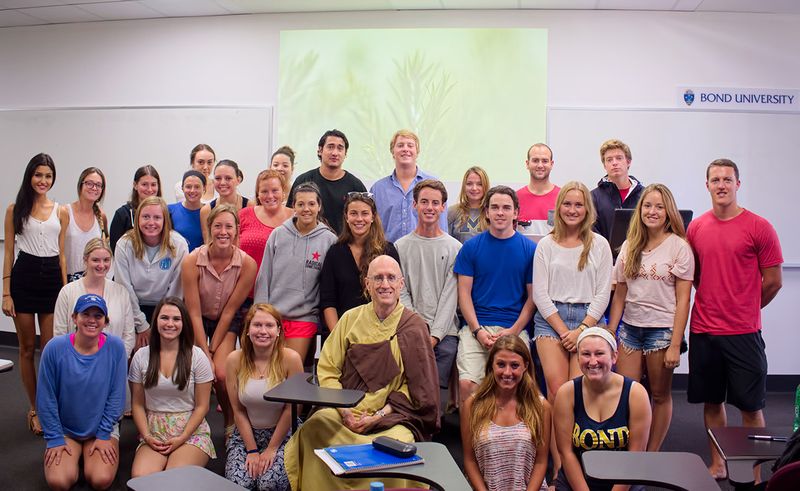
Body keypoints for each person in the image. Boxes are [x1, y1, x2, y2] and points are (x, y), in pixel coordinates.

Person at [284, 255, 440, 491]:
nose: (384, 284)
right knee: (314, 427)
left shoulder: (414, 326)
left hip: (391, 416)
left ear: (401, 284)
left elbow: (418, 387)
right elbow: (327, 369)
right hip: (345, 410)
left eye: (390, 278)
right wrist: (345, 411)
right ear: (367, 284)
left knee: (401, 443)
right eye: (377, 278)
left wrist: (378, 416)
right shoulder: (350, 319)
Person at [686, 159, 783, 479]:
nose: (721, 185)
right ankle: (719, 463)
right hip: (704, 330)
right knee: (712, 403)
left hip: (744, 332)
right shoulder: (696, 227)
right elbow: (697, 276)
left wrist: (746, 308)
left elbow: (773, 281)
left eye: (727, 179)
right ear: (708, 185)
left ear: (738, 184)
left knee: (751, 408)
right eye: (715, 180)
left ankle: (752, 473)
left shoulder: (759, 227)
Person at [607, 184, 694, 452]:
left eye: (659, 207)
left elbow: (683, 300)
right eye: (647, 206)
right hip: (630, 330)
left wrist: (676, 344)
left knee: (659, 394)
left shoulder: (679, 247)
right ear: (640, 210)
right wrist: (611, 330)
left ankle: (651, 453)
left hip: (662, 331)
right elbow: (620, 294)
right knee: (629, 392)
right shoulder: (630, 245)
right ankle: (634, 448)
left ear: (668, 212)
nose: (652, 211)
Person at [3, 153, 68, 436]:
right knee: (27, 348)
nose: (43, 180)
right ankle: (34, 409)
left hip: (52, 277)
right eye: (39, 175)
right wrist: (6, 292)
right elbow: (8, 252)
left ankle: (51, 405)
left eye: (48, 176)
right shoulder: (15, 209)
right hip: (25, 276)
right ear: (30, 176)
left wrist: (66, 292)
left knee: (51, 349)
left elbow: (63, 254)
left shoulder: (60, 211)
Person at [455, 186, 536, 404]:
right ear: (487, 212)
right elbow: (464, 295)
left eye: (506, 208)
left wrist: (514, 331)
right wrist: (477, 331)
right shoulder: (470, 248)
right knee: (467, 385)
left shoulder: (530, 250)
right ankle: (470, 439)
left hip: (513, 329)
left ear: (516, 213)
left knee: (518, 385)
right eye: (495, 207)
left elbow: (532, 299)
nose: (500, 212)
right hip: (476, 328)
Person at [37, 294, 127, 491]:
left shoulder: (116, 348)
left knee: (100, 479)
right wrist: (54, 438)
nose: (92, 320)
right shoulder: (55, 348)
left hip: (101, 429)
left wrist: (104, 434)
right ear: (74, 318)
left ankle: (87, 458)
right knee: (59, 482)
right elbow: (46, 397)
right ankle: (75, 460)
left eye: (98, 316)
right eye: (85, 314)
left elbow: (117, 396)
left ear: (106, 322)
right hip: (65, 428)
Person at [182, 204, 257, 434]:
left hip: (227, 319)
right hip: (197, 319)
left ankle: (229, 421)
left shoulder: (247, 264)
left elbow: (229, 311)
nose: (223, 232)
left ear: (236, 230)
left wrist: (213, 348)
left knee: (221, 375)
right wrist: (204, 352)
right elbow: (193, 312)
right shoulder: (192, 261)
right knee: (196, 370)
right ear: (209, 228)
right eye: (217, 226)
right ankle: (187, 424)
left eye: (228, 226)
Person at [553, 327, 651, 491]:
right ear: (578, 358)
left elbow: (636, 453)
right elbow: (566, 453)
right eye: (585, 354)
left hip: (624, 479)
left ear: (614, 356)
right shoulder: (566, 393)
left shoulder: (636, 394)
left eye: (599, 353)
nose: (592, 361)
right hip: (578, 481)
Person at [129, 297, 215, 477]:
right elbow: (137, 404)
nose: (170, 323)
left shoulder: (197, 357)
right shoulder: (141, 356)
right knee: (141, 480)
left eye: (176, 319)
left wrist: (182, 438)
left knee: (174, 480)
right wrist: (146, 436)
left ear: (184, 323)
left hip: (190, 432)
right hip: (154, 431)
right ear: (156, 321)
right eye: (164, 318)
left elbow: (203, 406)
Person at [254, 182, 337, 363]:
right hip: (272, 315)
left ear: (319, 206)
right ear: (293, 207)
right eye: (300, 204)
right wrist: (261, 313)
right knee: (267, 369)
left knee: (289, 370)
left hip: (304, 317)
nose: (306, 209)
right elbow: (264, 276)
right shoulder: (278, 234)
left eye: (311, 204)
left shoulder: (329, 240)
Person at [225, 303, 304, 490]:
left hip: (283, 434)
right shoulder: (234, 360)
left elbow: (292, 409)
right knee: (239, 483)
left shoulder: (291, 359)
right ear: (247, 330)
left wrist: (272, 448)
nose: (263, 331)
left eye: (269, 325)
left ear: (278, 331)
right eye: (257, 325)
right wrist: (252, 449)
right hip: (246, 434)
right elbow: (238, 410)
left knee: (269, 483)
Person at [461, 335, 551, 491]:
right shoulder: (472, 405)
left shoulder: (541, 407)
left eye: (515, 365)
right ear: (491, 366)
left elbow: (541, 462)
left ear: (525, 366)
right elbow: (470, 461)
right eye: (501, 364)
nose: (507, 372)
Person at [397, 180, 462, 396]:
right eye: (424, 202)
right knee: (408, 393)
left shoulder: (455, 248)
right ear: (414, 205)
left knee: (435, 401)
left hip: (444, 336)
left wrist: (433, 336)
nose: (430, 208)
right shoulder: (400, 247)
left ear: (443, 207)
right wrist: (418, 329)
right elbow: (401, 292)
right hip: (409, 331)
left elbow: (450, 297)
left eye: (435, 203)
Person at [319, 192, 400, 333]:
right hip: (343, 331)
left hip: (380, 332)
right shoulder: (335, 253)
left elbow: (396, 295)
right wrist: (337, 337)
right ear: (346, 217)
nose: (359, 219)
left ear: (373, 217)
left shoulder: (387, 250)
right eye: (354, 213)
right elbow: (328, 300)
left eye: (365, 213)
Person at [114, 196, 188, 349]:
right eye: (146, 217)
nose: (151, 222)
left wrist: (159, 324)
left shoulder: (178, 244)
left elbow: (176, 291)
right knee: (130, 350)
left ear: (165, 221)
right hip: (132, 307)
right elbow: (124, 288)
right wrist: (141, 326)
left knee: (163, 351)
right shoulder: (124, 244)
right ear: (137, 219)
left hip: (165, 307)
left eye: (157, 217)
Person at [54, 238, 135, 359]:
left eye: (106, 260)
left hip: (111, 362)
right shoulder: (67, 292)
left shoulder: (121, 292)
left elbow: (128, 335)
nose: (102, 265)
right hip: (74, 362)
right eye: (96, 260)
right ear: (85, 260)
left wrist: (117, 360)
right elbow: (59, 334)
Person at [370, 129, 448, 242]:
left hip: (424, 252)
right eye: (400, 145)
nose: (405, 149)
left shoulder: (434, 186)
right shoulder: (378, 189)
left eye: (410, 145)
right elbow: (373, 229)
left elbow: (442, 226)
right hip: (387, 255)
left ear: (417, 152)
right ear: (392, 151)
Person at [287, 129, 367, 234]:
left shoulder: (355, 185)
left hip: (344, 246)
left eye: (340, 148)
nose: (335, 153)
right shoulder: (303, 181)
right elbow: (290, 215)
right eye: (330, 147)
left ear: (345, 153)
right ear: (320, 150)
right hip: (308, 244)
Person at [239, 170, 294, 278]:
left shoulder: (296, 218)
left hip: (283, 289)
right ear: (258, 194)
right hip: (245, 288)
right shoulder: (244, 215)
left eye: (275, 190)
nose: (270, 196)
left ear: (283, 192)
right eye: (264, 191)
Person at [590, 139, 644, 241]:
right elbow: (592, 232)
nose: (614, 163)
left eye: (619, 158)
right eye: (609, 160)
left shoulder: (644, 195)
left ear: (628, 162)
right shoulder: (593, 197)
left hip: (640, 255)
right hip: (606, 255)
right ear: (605, 165)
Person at [64, 167, 108, 282]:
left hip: (93, 280)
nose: (94, 188)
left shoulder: (101, 216)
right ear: (81, 185)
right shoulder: (65, 212)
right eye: (89, 183)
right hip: (67, 279)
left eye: (98, 185)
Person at [110, 164, 161, 252]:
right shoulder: (122, 215)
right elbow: (116, 251)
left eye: (153, 184)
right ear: (135, 185)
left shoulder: (165, 213)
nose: (149, 189)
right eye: (144, 184)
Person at [200, 159, 252, 243]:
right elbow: (208, 244)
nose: (222, 182)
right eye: (218, 178)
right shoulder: (206, 211)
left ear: (238, 180)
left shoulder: (251, 207)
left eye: (228, 178)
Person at [517, 143, 560, 235]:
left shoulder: (563, 197)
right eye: (535, 160)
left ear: (551, 164)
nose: (540, 165)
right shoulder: (515, 198)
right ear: (527, 164)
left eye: (545, 161)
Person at [448, 166, 490, 244]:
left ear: (485, 186)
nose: (474, 188)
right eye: (469, 184)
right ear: (464, 186)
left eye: (479, 184)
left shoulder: (491, 212)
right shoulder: (452, 212)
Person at [169, 170, 206, 252]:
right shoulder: (170, 210)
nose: (192, 191)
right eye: (188, 187)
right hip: (177, 261)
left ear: (204, 188)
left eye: (197, 187)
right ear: (182, 188)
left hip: (201, 261)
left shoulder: (210, 212)